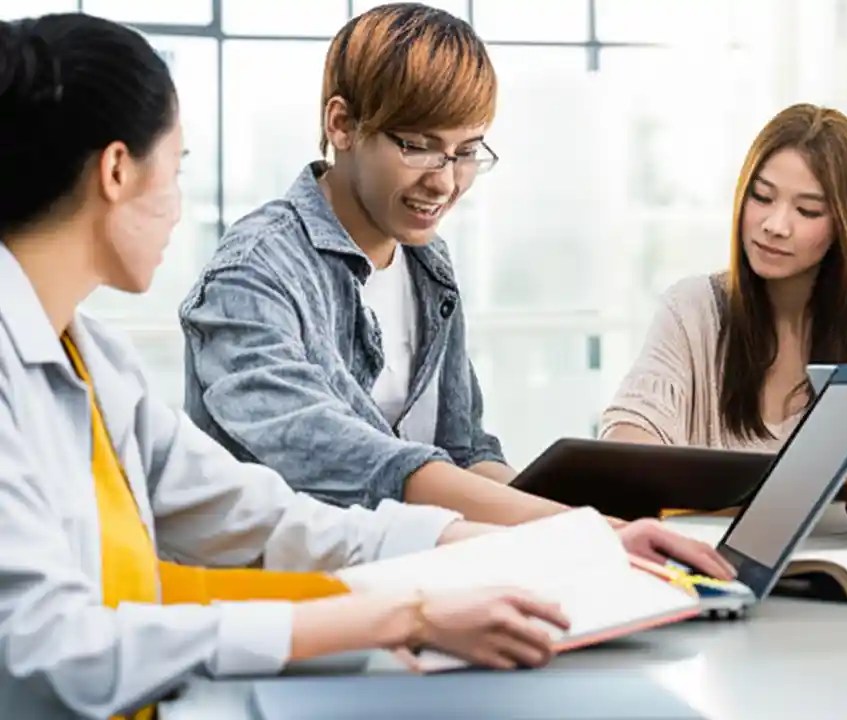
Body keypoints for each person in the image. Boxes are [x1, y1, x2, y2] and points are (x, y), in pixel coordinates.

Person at [0, 13, 589, 719]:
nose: (180, 209)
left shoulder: (98, 363)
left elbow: (265, 518)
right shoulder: (245, 274)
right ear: (119, 170)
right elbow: (54, 648)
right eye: (178, 167)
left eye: (466, 152)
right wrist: (399, 615)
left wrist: (540, 543)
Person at [176, 4, 733, 577]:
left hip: (415, 580)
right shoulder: (251, 276)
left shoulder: (426, 260)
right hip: (282, 604)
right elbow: (356, 464)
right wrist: (581, 533)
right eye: (417, 146)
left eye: (466, 151)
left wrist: (586, 522)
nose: (444, 182)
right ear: (341, 125)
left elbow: (464, 451)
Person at [599, 103, 847, 452]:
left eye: (807, 210)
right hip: (702, 510)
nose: (775, 225)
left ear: (844, 224)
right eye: (762, 196)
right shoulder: (691, 307)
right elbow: (632, 426)